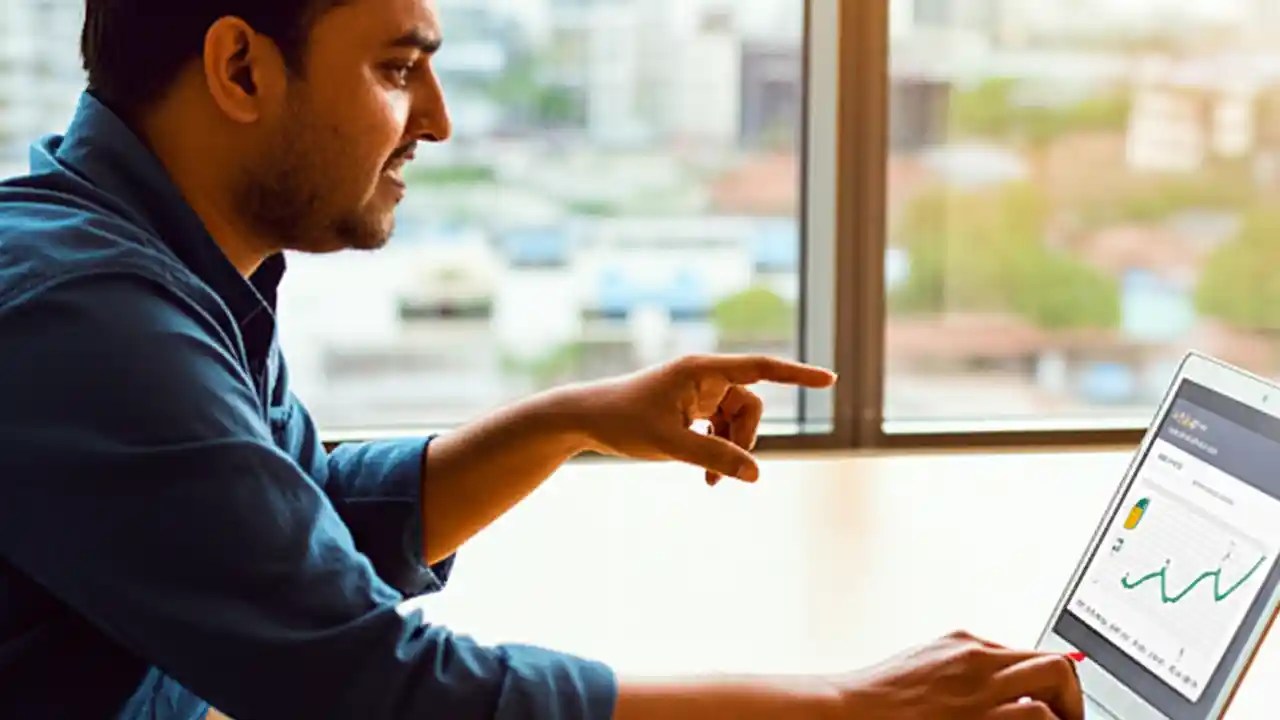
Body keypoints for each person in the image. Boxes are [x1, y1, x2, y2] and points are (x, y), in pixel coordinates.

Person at [0, 1, 1084, 718]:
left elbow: (290, 525)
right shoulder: (85, 319)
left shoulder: (155, 265)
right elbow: (363, 686)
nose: (438, 119)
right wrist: (847, 703)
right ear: (240, 66)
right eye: (396, 70)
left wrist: (566, 421)